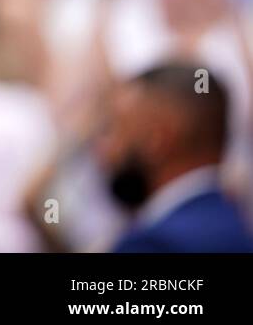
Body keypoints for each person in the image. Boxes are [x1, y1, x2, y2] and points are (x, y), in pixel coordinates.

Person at [102, 63, 253, 253]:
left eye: (114, 130)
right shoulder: (237, 229)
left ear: (155, 140)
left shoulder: (153, 245)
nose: (102, 149)